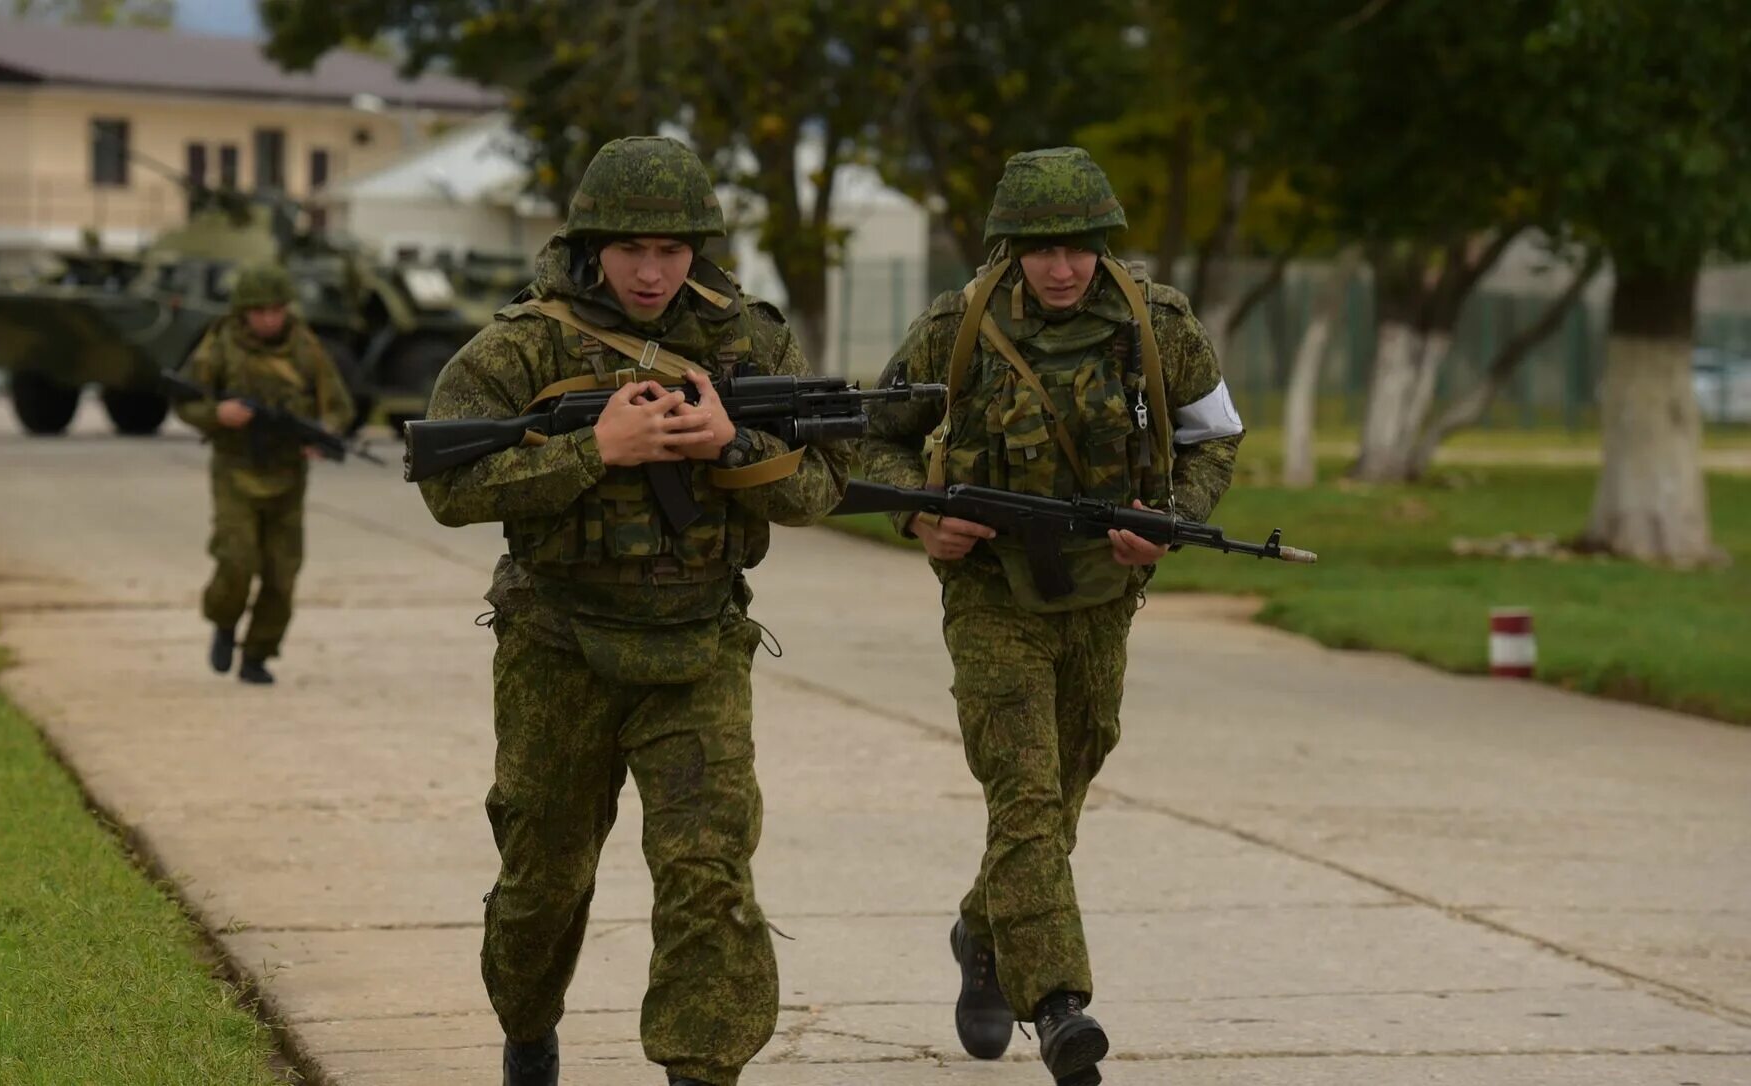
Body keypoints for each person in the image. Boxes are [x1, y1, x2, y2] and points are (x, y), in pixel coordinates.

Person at [415, 135, 851, 1086]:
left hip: (698, 647)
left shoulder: (751, 341)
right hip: (557, 647)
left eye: (672, 250)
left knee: (708, 874)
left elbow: (821, 489)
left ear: (699, 248)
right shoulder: (522, 344)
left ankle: (702, 1067)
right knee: (543, 883)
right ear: (590, 246)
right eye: (629, 250)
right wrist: (595, 450)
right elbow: (446, 486)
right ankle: (528, 1029)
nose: (651, 273)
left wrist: (730, 446)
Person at [860, 147, 1244, 1086]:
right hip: (992, 595)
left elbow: (1215, 437)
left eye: (1077, 247)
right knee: (1025, 794)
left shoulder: (1159, 326)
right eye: (1041, 249)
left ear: (1103, 242)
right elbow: (872, 439)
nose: (1062, 267)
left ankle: (983, 932)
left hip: (1101, 596)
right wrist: (920, 514)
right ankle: (1060, 1006)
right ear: (1010, 248)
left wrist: (1173, 521)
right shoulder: (955, 328)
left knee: (1075, 767)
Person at [171, 259, 354, 685]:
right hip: (235, 470)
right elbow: (185, 401)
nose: (270, 319)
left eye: (277, 310)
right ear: (243, 312)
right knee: (237, 560)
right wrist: (217, 414)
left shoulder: (306, 348)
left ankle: (257, 653)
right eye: (260, 311)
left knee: (281, 573)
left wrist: (323, 436)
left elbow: (338, 406)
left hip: (288, 475)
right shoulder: (220, 345)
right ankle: (224, 621)